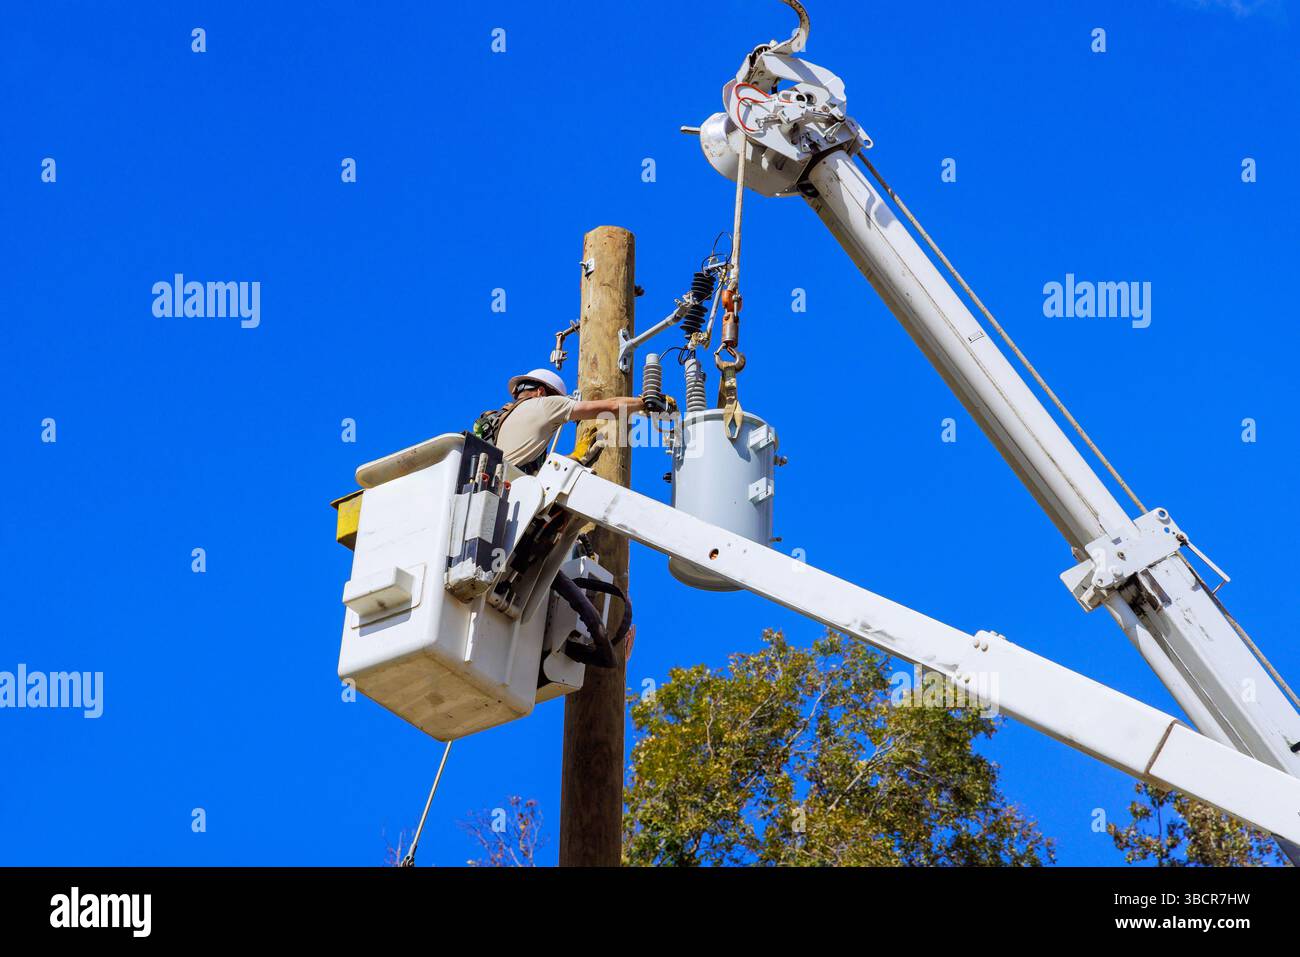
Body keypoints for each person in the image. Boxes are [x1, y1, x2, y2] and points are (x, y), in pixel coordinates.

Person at [477, 368, 656, 474]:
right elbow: (612, 407)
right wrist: (646, 402)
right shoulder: (546, 404)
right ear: (541, 391)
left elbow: (537, 470)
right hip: (512, 492)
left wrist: (576, 457)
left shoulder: (504, 420)